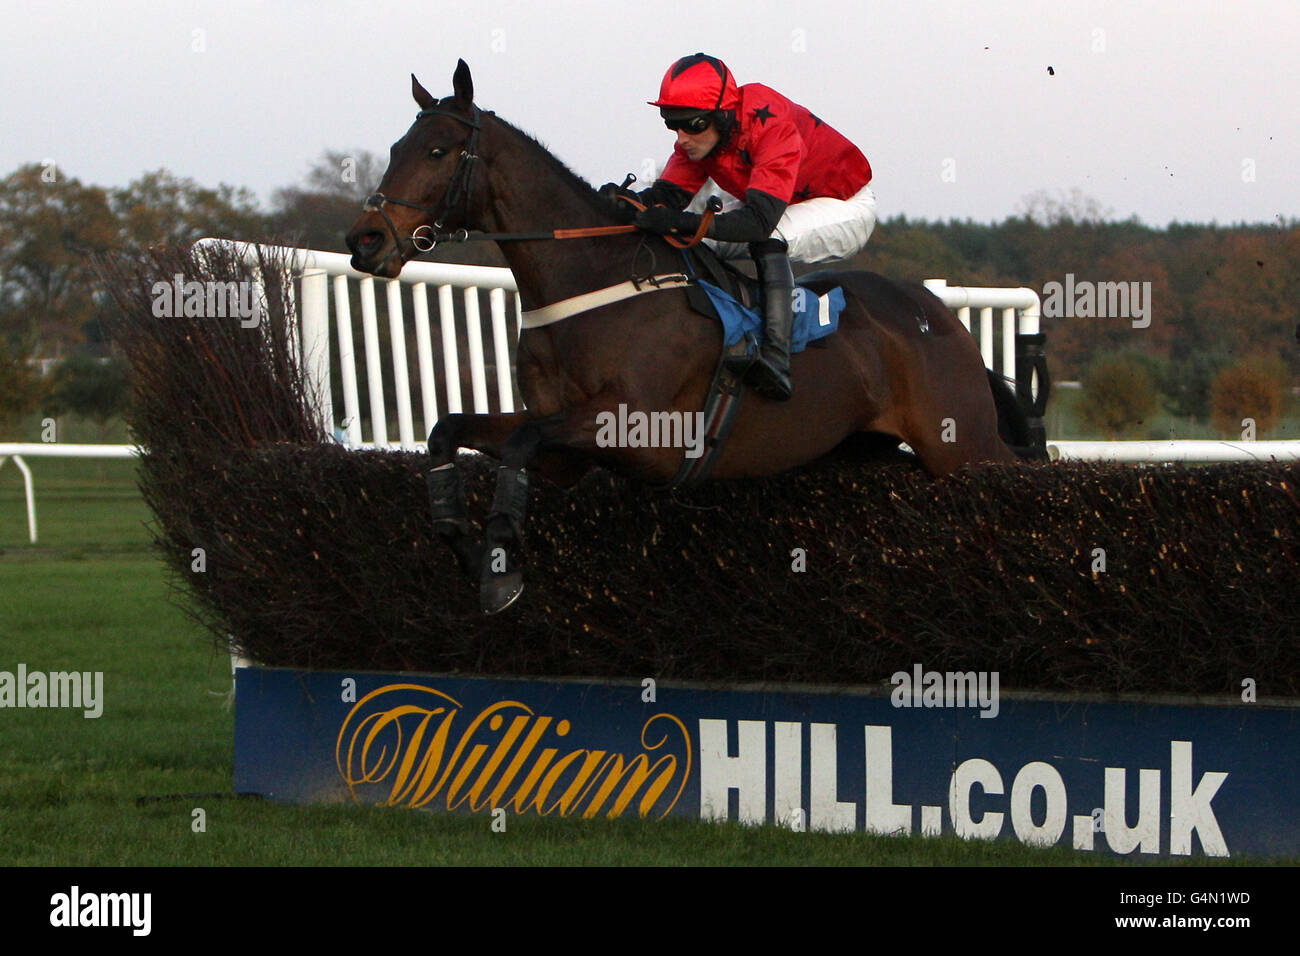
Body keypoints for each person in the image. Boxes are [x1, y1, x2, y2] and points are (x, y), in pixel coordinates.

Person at [601, 52, 876, 401]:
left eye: (693, 124)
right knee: (693, 239)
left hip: (844, 205)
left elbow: (759, 224)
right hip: (782, 202)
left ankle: (776, 360)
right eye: (673, 123)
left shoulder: (770, 123)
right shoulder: (706, 137)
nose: (683, 137)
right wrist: (624, 203)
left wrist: (677, 219)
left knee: (767, 237)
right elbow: (668, 197)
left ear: (722, 115)